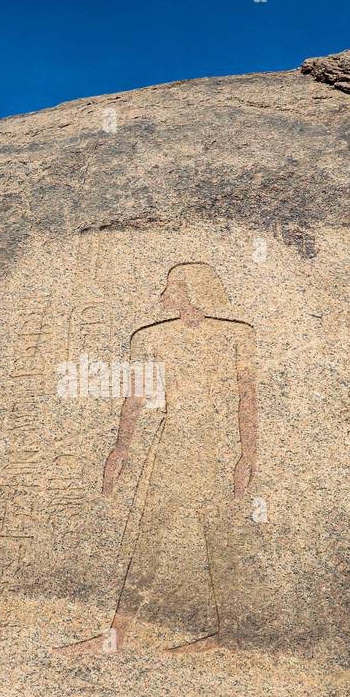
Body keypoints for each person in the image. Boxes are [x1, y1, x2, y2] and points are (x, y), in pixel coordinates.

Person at [63, 262, 257, 654]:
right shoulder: (151, 337)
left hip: (217, 445)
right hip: (175, 441)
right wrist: (121, 449)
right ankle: (117, 635)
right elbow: (133, 399)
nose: (163, 296)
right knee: (150, 536)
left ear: (191, 291)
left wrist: (248, 454)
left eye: (170, 288)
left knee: (221, 536)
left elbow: (247, 396)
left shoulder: (239, 335)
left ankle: (232, 634)